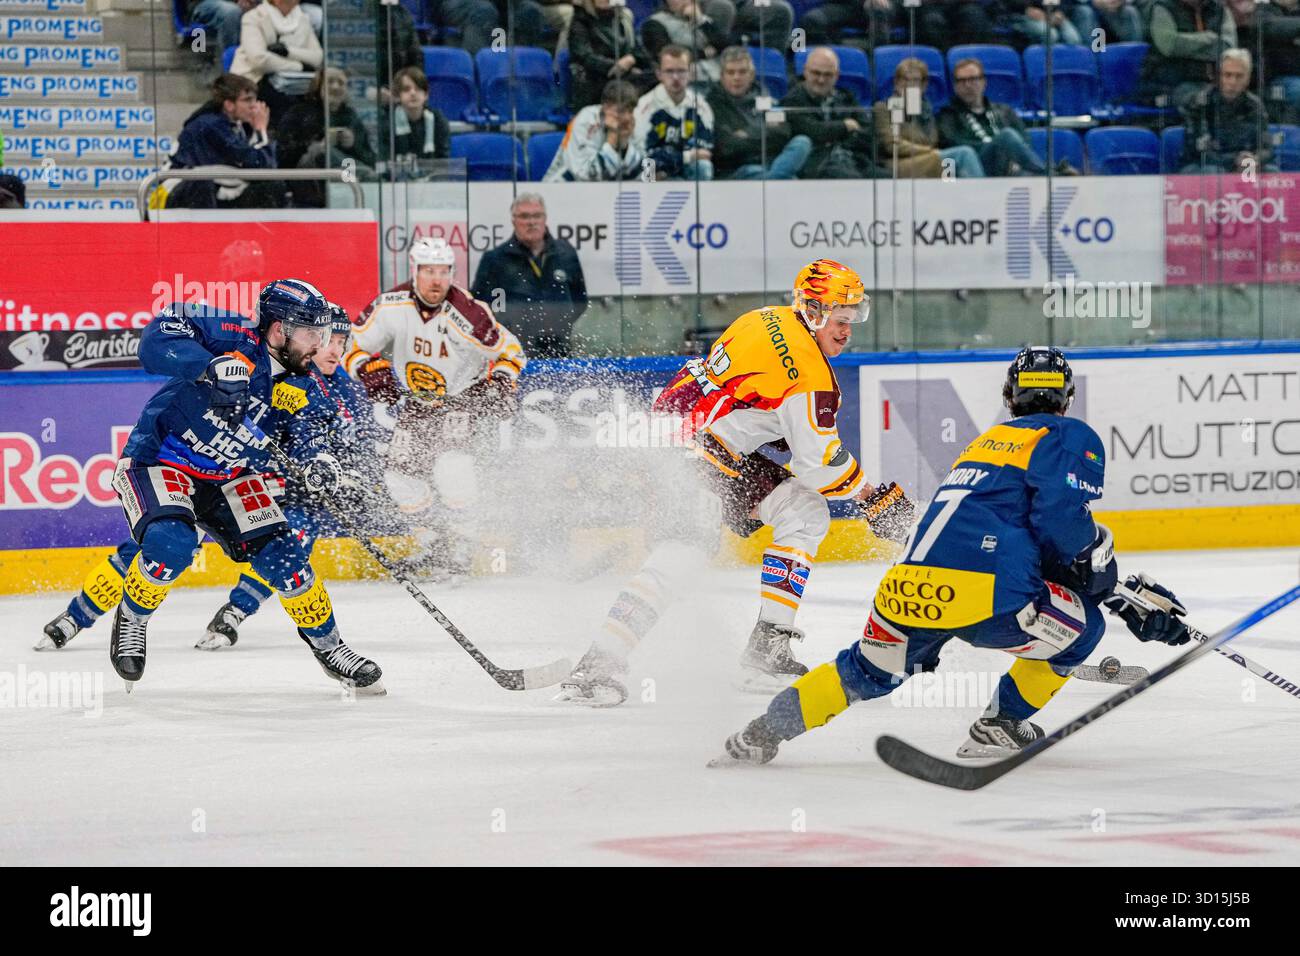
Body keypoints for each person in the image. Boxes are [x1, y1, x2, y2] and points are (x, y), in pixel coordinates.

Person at [712, 346, 1193, 766]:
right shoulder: (1066, 435)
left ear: (1010, 397)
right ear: (1067, 398)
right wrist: (1115, 593)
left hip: (906, 591)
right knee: (1086, 629)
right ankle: (1001, 723)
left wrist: (1117, 589)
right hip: (991, 597)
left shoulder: (986, 445)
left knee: (861, 672)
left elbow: (1021, 534)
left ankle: (761, 733)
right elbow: (1062, 527)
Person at [555, 260, 916, 706]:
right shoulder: (808, 372)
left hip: (694, 445)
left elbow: (748, 404)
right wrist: (871, 498)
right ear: (815, 311)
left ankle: (766, 651)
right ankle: (597, 664)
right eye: (840, 320)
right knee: (686, 549)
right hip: (690, 456)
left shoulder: (763, 318)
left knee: (803, 512)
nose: (846, 331)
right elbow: (819, 463)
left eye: (850, 320)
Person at [100, 280, 384, 693]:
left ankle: (330, 646)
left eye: (323, 334)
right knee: (171, 546)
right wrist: (208, 367)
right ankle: (133, 616)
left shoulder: (301, 381)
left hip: (229, 474)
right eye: (311, 333)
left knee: (287, 559)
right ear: (278, 329)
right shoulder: (231, 335)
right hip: (160, 459)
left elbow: (304, 431)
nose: (321, 345)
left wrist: (317, 461)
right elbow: (156, 336)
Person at [199, 305, 406, 647]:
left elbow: (355, 443)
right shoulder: (283, 374)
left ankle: (232, 614)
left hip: (289, 487)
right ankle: (85, 616)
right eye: (329, 340)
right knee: (163, 542)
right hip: (227, 477)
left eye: (343, 341)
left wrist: (352, 477)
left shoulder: (343, 389)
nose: (337, 350)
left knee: (297, 535)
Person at [348, 238, 527, 577]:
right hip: (418, 404)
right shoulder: (391, 305)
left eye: (443, 272)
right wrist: (367, 369)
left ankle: (461, 546)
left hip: (463, 399)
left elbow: (512, 351)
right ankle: (434, 544)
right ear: (414, 271)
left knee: (452, 467)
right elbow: (351, 344)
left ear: (452, 274)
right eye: (429, 271)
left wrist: (502, 383)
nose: (436, 280)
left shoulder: (469, 313)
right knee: (398, 477)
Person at [471, 194, 588, 357]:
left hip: (559, 350)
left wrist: (558, 324)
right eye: (524, 216)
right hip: (512, 352)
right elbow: (480, 307)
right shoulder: (495, 260)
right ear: (513, 221)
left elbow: (580, 301)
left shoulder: (566, 254)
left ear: (545, 218)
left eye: (537, 215)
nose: (531, 221)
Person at [938, 57, 1079, 175]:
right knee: (1006, 136)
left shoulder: (1004, 111)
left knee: (1025, 175)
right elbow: (954, 144)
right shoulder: (948, 114)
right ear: (955, 86)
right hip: (976, 166)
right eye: (962, 81)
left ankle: (1048, 175)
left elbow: (1024, 141)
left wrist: (1013, 158)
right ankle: (1049, 173)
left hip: (1009, 167)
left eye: (973, 79)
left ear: (983, 82)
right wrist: (1000, 148)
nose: (968, 85)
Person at [165, 72, 281, 209]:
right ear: (229, 105)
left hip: (211, 188)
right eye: (247, 100)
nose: (254, 106)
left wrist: (257, 131)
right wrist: (261, 130)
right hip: (184, 192)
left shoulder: (238, 125)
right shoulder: (211, 125)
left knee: (272, 187)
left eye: (255, 100)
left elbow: (266, 167)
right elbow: (258, 164)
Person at [276, 66, 376, 206]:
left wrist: (353, 145)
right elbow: (284, 156)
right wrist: (315, 144)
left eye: (341, 83)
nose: (335, 87)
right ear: (318, 86)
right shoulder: (298, 112)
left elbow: (370, 159)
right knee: (320, 151)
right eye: (330, 81)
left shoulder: (351, 117)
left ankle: (360, 175)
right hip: (307, 183)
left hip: (346, 186)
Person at [707, 46, 811, 179]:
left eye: (742, 72)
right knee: (789, 179)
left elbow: (783, 131)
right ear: (722, 76)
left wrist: (748, 133)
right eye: (730, 72)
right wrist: (766, 133)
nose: (736, 77)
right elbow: (728, 146)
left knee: (802, 142)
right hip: (739, 168)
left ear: (751, 75)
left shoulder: (763, 97)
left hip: (772, 161)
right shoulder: (712, 103)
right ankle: (777, 177)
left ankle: (774, 176)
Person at [874, 57, 985, 178]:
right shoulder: (887, 107)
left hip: (928, 159)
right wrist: (929, 151)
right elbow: (893, 145)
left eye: (915, 81)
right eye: (905, 79)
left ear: (923, 86)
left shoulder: (926, 110)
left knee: (954, 165)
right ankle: (982, 196)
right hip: (899, 164)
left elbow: (933, 140)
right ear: (896, 82)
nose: (909, 85)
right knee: (963, 154)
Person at [780, 46, 878, 179]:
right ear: (805, 72)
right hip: (818, 164)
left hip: (854, 159)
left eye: (828, 75)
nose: (821, 80)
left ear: (836, 75)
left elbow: (868, 132)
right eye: (816, 73)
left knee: (888, 178)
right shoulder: (793, 100)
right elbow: (813, 131)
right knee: (849, 178)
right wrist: (845, 126)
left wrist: (837, 138)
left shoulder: (846, 96)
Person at [1180, 49, 1276, 172]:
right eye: (1228, 75)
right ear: (1219, 76)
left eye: (1239, 76)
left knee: (1271, 172)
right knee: (1214, 172)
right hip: (1202, 166)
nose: (1232, 82)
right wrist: (1235, 160)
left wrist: (1255, 159)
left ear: (1247, 78)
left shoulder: (1255, 105)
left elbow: (1266, 147)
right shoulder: (1200, 102)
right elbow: (1198, 149)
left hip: (1245, 165)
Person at [229, 0, 323, 123]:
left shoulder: (302, 19)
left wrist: (288, 51)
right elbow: (259, 59)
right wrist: (298, 66)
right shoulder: (253, 17)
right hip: (256, 80)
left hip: (295, 83)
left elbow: (317, 57)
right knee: (285, 103)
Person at [634, 44, 715, 180]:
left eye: (681, 71)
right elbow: (643, 155)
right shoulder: (645, 107)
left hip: (686, 167)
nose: (676, 77)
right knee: (648, 173)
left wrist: (675, 157)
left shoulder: (701, 107)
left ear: (690, 73)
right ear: (659, 74)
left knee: (703, 166)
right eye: (669, 71)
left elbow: (705, 151)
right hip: (654, 169)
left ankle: (702, 201)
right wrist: (686, 155)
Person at [1138, 0, 1237, 110]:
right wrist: (1208, 38)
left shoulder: (1220, 10)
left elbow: (1228, 48)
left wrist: (1187, 47)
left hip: (1212, 84)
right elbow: (1169, 46)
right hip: (1172, 84)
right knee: (1203, 102)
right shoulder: (1162, 7)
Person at [544, 79, 645, 181]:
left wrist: (624, 144)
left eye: (630, 110)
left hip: (607, 191)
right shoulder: (585, 119)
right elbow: (583, 175)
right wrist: (612, 141)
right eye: (621, 111)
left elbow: (647, 175)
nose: (627, 117)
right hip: (561, 186)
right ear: (606, 107)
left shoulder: (631, 122)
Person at [567, 0, 654, 110]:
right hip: (597, 79)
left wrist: (631, 59)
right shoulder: (580, 22)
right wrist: (619, 66)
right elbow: (585, 57)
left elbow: (640, 52)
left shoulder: (622, 19)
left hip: (625, 74)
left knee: (658, 77)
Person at [640, 0, 729, 84]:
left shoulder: (704, 20)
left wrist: (700, 21)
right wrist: (704, 53)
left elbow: (726, 46)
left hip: (717, 77)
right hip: (683, 79)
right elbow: (667, 54)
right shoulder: (654, 24)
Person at [384, 67, 451, 170]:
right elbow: (386, 163)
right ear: (398, 96)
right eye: (406, 89)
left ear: (426, 95)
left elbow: (443, 162)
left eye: (418, 88)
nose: (413, 93)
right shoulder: (388, 122)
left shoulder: (438, 120)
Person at [801, 0, 896, 48]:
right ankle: (829, 59)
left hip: (879, 7)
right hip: (844, 6)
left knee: (879, 9)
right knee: (812, 20)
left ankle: (877, 64)